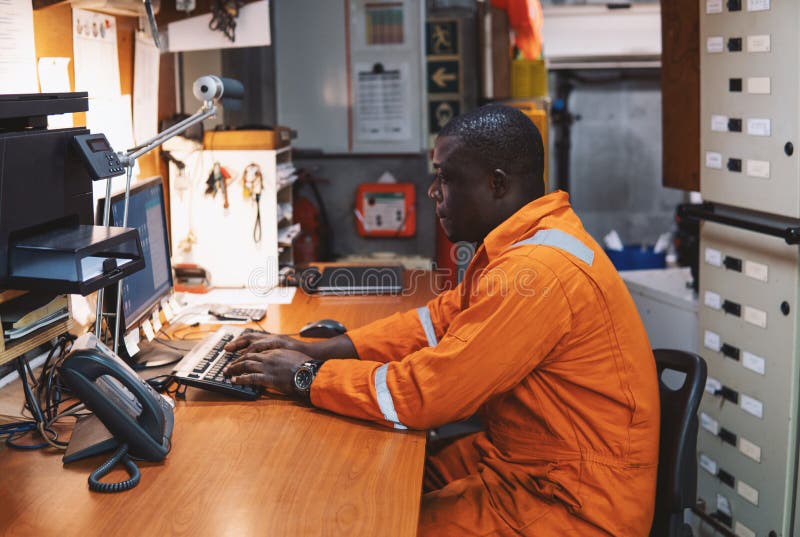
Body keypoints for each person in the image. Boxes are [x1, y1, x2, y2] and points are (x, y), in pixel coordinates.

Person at [223, 104, 660, 536]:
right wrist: (313, 348)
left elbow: (427, 395)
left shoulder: (539, 270)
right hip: (529, 460)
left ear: (497, 185)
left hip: (575, 505)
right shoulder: (525, 244)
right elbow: (436, 321)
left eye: (446, 178)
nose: (434, 192)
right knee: (371, 479)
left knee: (373, 518)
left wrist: (304, 377)